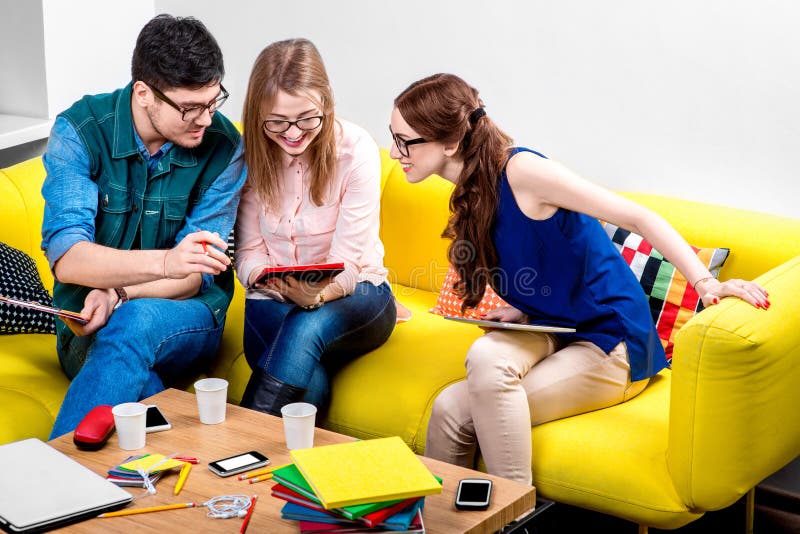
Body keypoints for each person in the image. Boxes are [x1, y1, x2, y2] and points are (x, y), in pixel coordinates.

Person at [388, 73, 769, 484]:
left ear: (450, 142)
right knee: (461, 389)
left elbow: (635, 216)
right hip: (553, 326)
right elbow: (545, 253)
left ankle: (509, 514)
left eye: (406, 141)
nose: (394, 153)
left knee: (461, 412)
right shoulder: (471, 187)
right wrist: (523, 306)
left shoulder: (522, 171)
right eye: (393, 137)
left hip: (611, 341)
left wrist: (706, 285)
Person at [42, 14, 246, 438]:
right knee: (143, 397)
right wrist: (168, 261)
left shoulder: (226, 148)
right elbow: (69, 259)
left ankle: (51, 484)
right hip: (88, 324)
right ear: (144, 93)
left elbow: (193, 276)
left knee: (134, 320)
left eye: (213, 101)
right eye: (190, 108)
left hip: (186, 316)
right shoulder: (79, 131)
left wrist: (121, 291)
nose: (206, 119)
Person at [234, 38, 396, 416]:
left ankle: (234, 448)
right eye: (276, 121)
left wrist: (317, 296)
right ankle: (274, 467)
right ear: (257, 113)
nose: (292, 133)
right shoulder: (250, 154)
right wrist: (270, 281)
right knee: (311, 385)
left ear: (326, 101)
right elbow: (248, 253)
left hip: (357, 296)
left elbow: (348, 264)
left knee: (306, 326)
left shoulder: (356, 151)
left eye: (306, 118)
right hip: (272, 301)